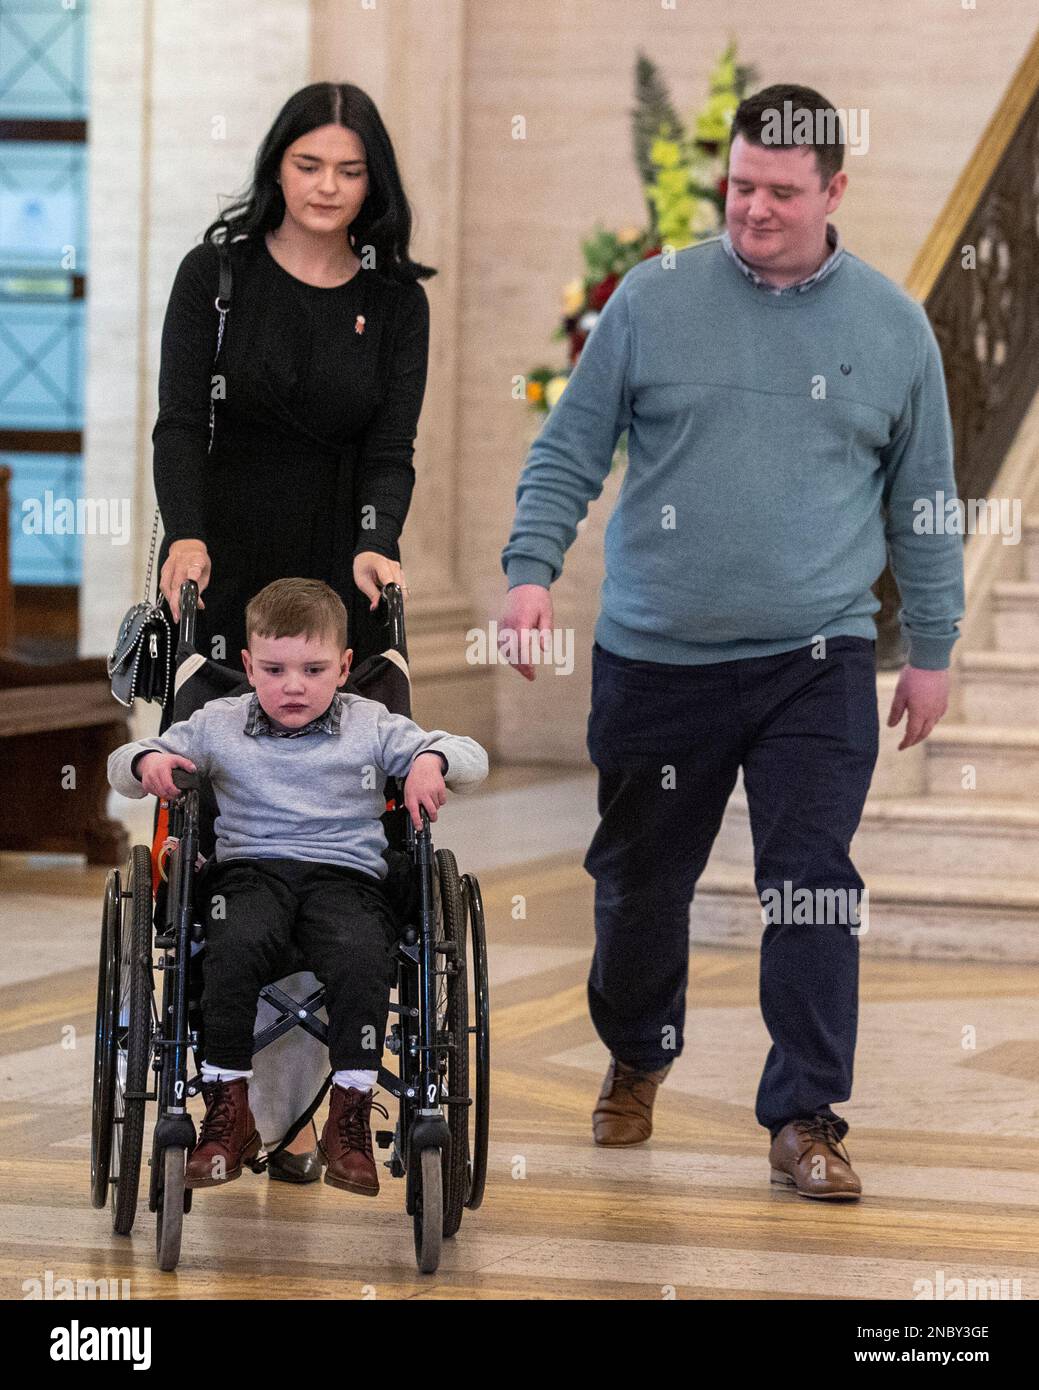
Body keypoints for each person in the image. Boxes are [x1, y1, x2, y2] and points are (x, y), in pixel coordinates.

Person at [498, 84, 965, 1200]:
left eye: (780, 192)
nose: (753, 208)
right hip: (659, 653)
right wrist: (528, 572)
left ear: (834, 191)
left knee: (811, 883)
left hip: (819, 658)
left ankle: (806, 1114)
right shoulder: (651, 301)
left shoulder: (893, 325)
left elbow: (926, 499)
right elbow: (571, 444)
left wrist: (934, 648)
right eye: (740, 185)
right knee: (640, 883)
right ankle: (637, 1050)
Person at [151, 82, 433, 1176]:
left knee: (333, 791)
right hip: (222, 552)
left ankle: (317, 1100)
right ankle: (242, 1093)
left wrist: (376, 536)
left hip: (338, 555)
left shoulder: (394, 298)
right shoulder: (213, 277)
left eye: (349, 171)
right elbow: (181, 420)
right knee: (233, 794)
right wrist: (184, 534)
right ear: (279, 165)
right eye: (309, 165)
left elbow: (391, 446)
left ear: (373, 184)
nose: (327, 187)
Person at [107, 578, 489, 1195]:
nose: (293, 685)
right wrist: (146, 763)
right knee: (231, 945)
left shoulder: (371, 724)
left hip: (346, 876)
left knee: (365, 951)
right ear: (247, 665)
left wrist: (429, 761)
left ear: (342, 668)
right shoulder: (218, 723)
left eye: (313, 669)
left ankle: (349, 1115)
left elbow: (470, 755)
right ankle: (228, 1113)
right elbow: (126, 764)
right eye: (275, 669)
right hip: (248, 872)